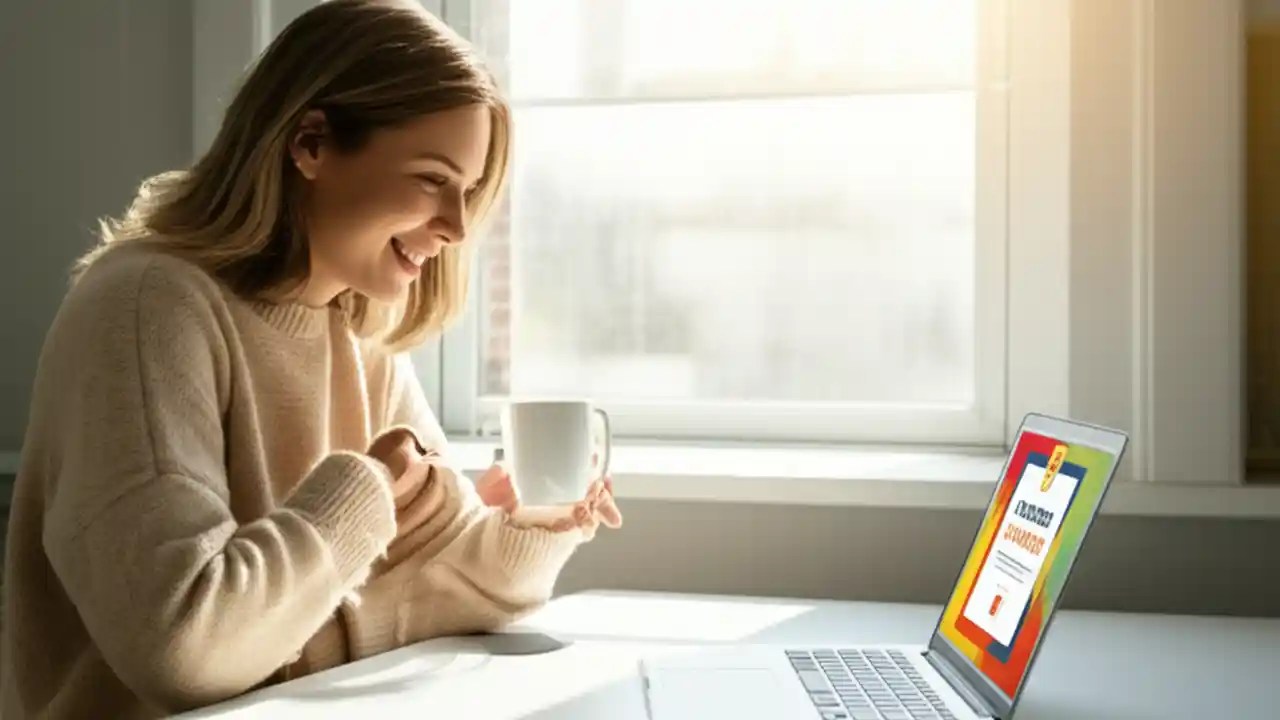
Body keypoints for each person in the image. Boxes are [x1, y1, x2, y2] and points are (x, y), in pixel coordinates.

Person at [0, 1, 621, 717]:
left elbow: (440, 587)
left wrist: (533, 528)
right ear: (312, 143)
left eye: (469, 191)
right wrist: (365, 489)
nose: (455, 226)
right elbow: (183, 649)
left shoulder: (357, 329)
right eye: (431, 178)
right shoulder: (145, 307)